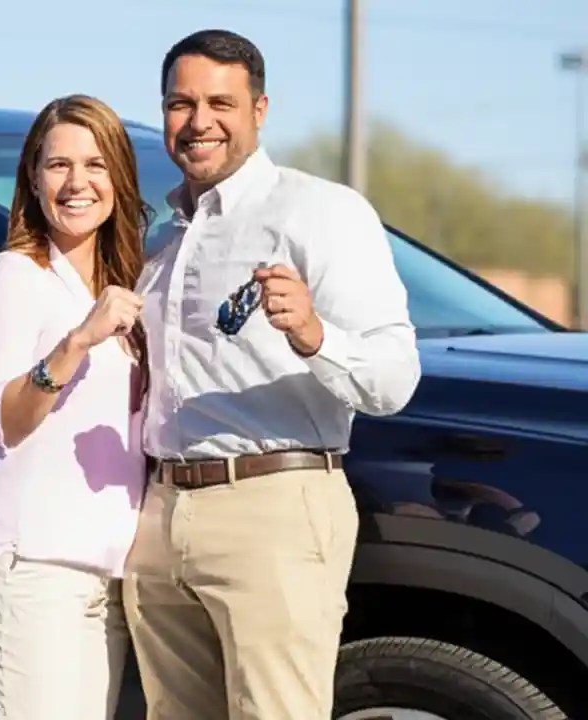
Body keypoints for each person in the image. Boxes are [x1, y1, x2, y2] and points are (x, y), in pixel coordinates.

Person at [123, 29, 422, 720]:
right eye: (180, 102)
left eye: (221, 102)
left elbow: (395, 378)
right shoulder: (159, 241)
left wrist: (315, 336)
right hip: (160, 512)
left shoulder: (319, 212)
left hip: (274, 506)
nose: (199, 121)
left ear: (260, 110)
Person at [0, 93, 153, 720]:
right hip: (30, 573)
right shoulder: (17, 276)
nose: (77, 182)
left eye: (95, 164)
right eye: (57, 165)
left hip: (105, 584)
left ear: (118, 177)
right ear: (32, 181)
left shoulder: (129, 286)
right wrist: (76, 343)